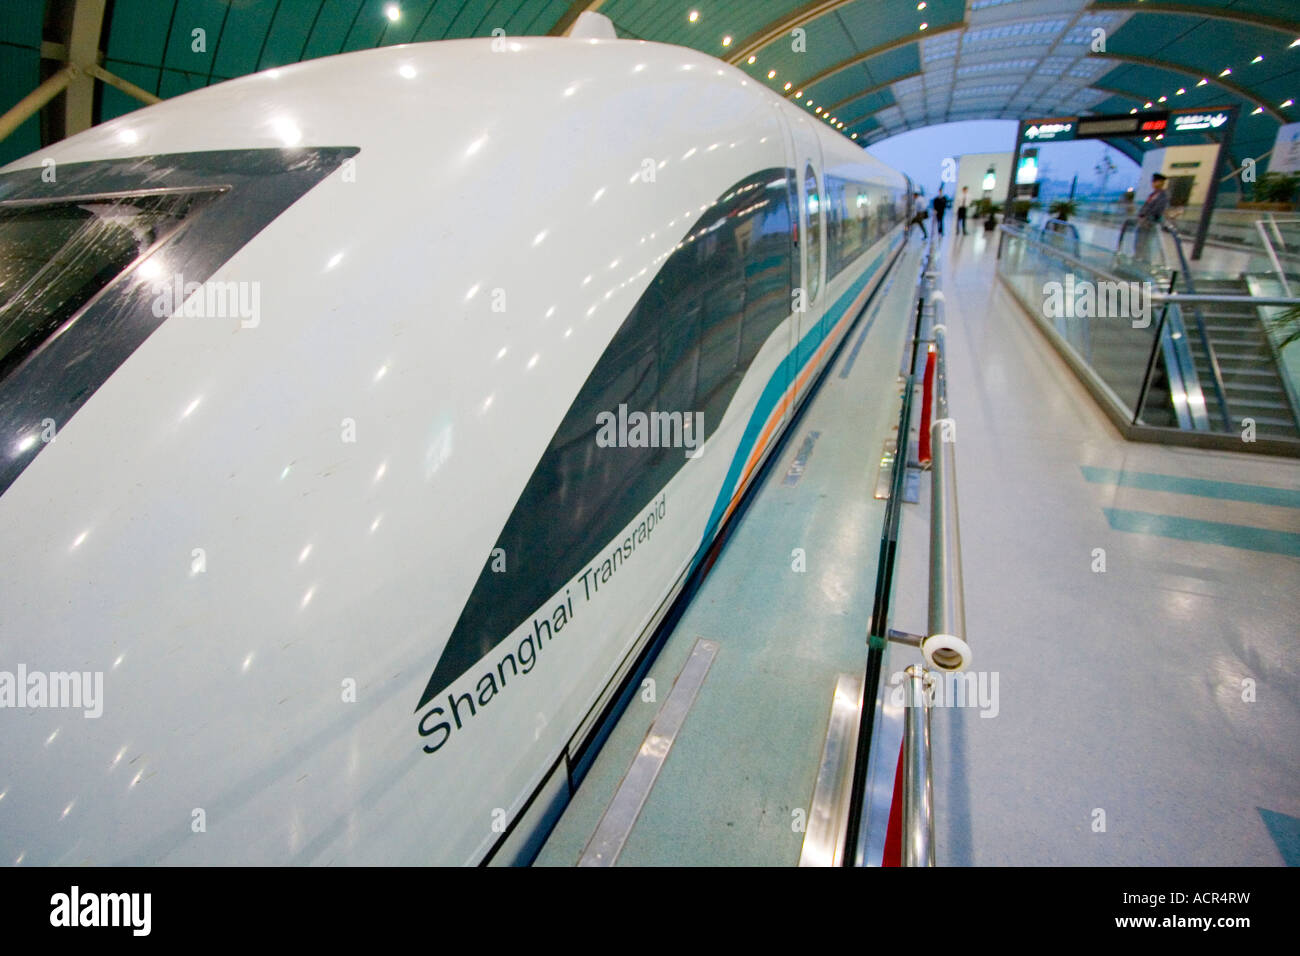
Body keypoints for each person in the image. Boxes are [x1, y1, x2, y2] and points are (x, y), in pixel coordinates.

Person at [1134, 173, 1169, 264]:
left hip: (1150, 223)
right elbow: (1145, 207)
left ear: (1161, 182)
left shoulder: (1163, 196)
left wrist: (1147, 217)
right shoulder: (1152, 195)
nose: (1153, 184)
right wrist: (1140, 216)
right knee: (1139, 243)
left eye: (1155, 181)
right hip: (1143, 223)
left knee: (1146, 244)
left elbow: (1158, 209)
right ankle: (1137, 259)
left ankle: (1146, 262)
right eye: (1153, 182)